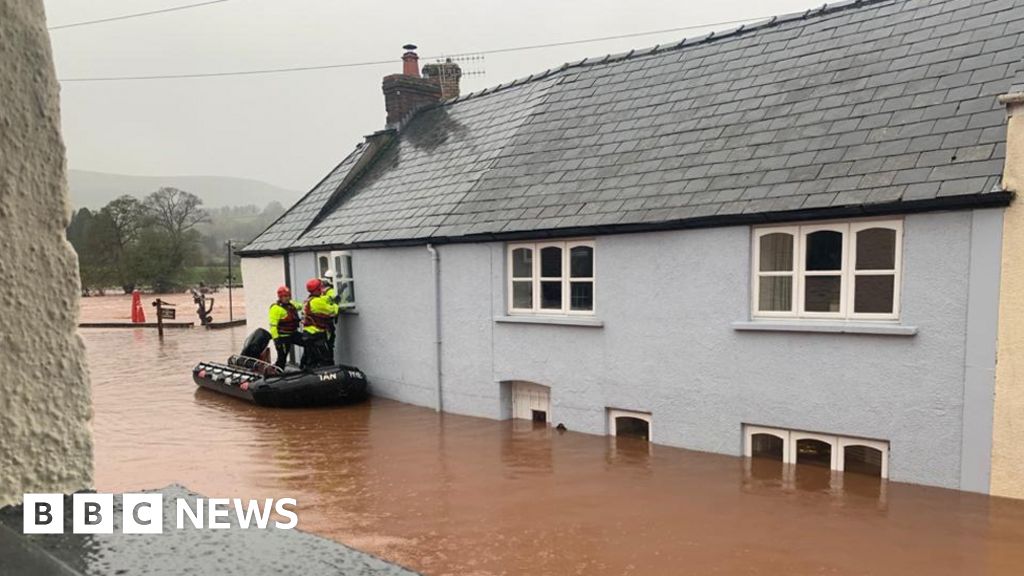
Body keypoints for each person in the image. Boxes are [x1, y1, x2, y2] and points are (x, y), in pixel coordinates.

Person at [302, 278, 339, 368]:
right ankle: (329, 379)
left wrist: (330, 298)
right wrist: (336, 303)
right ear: (318, 289)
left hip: (308, 333)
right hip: (316, 335)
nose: (322, 290)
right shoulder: (316, 302)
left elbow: (324, 299)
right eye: (321, 288)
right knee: (326, 359)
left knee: (310, 359)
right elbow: (333, 311)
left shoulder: (309, 300)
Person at [268, 286, 302, 370]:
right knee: (282, 357)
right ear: (280, 297)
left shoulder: (291, 305)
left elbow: (300, 306)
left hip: (293, 334)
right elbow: (273, 326)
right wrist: (276, 340)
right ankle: (277, 373)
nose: (286, 298)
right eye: (284, 296)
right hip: (282, 337)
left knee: (308, 343)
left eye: (288, 296)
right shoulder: (275, 309)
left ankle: (305, 365)